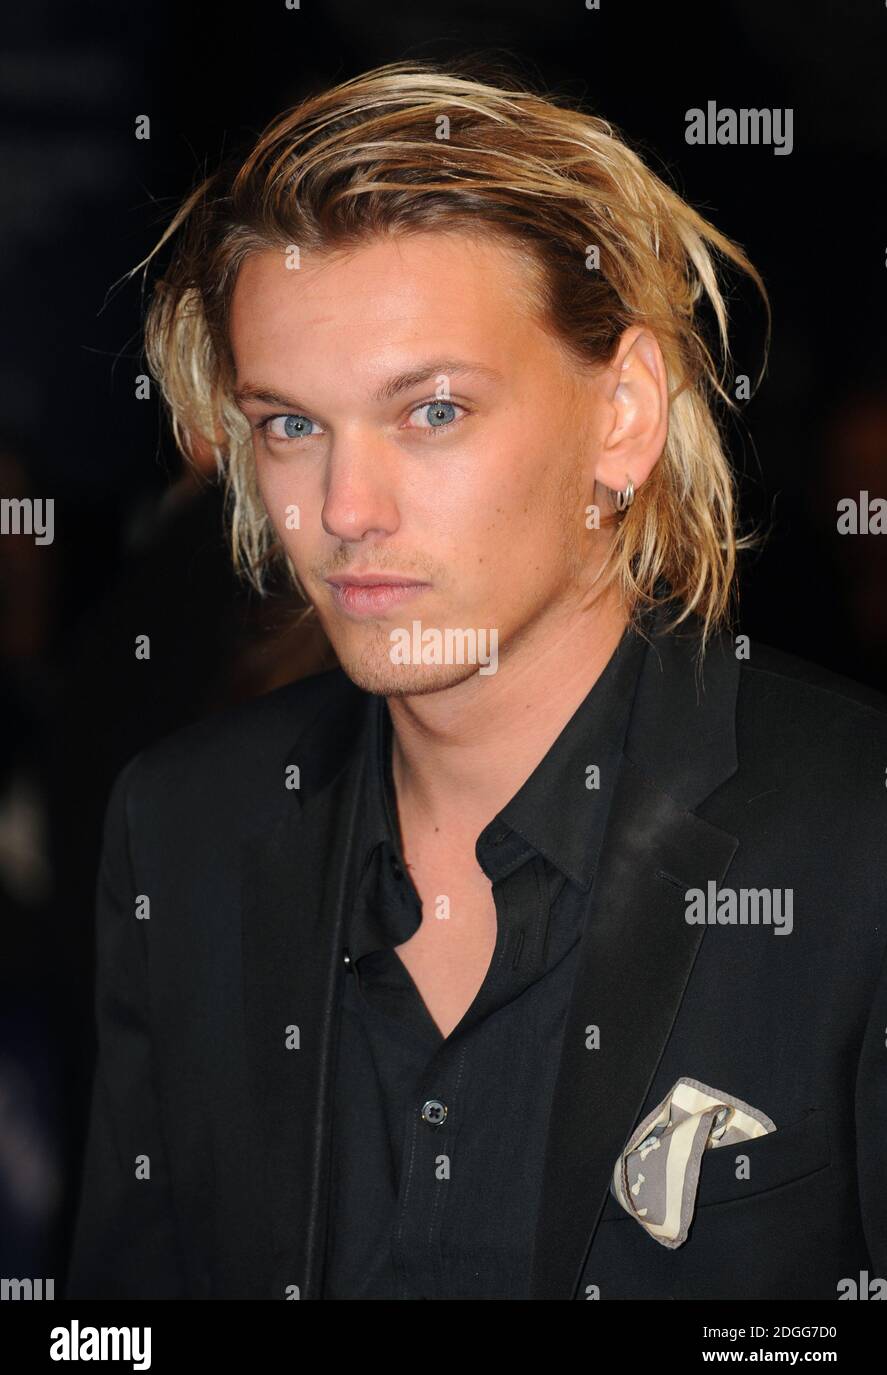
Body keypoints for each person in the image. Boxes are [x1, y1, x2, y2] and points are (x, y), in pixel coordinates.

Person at [65, 58, 887, 1300]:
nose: (344, 509)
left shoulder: (853, 830)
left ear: (620, 417)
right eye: (291, 424)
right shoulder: (183, 830)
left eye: (432, 412)